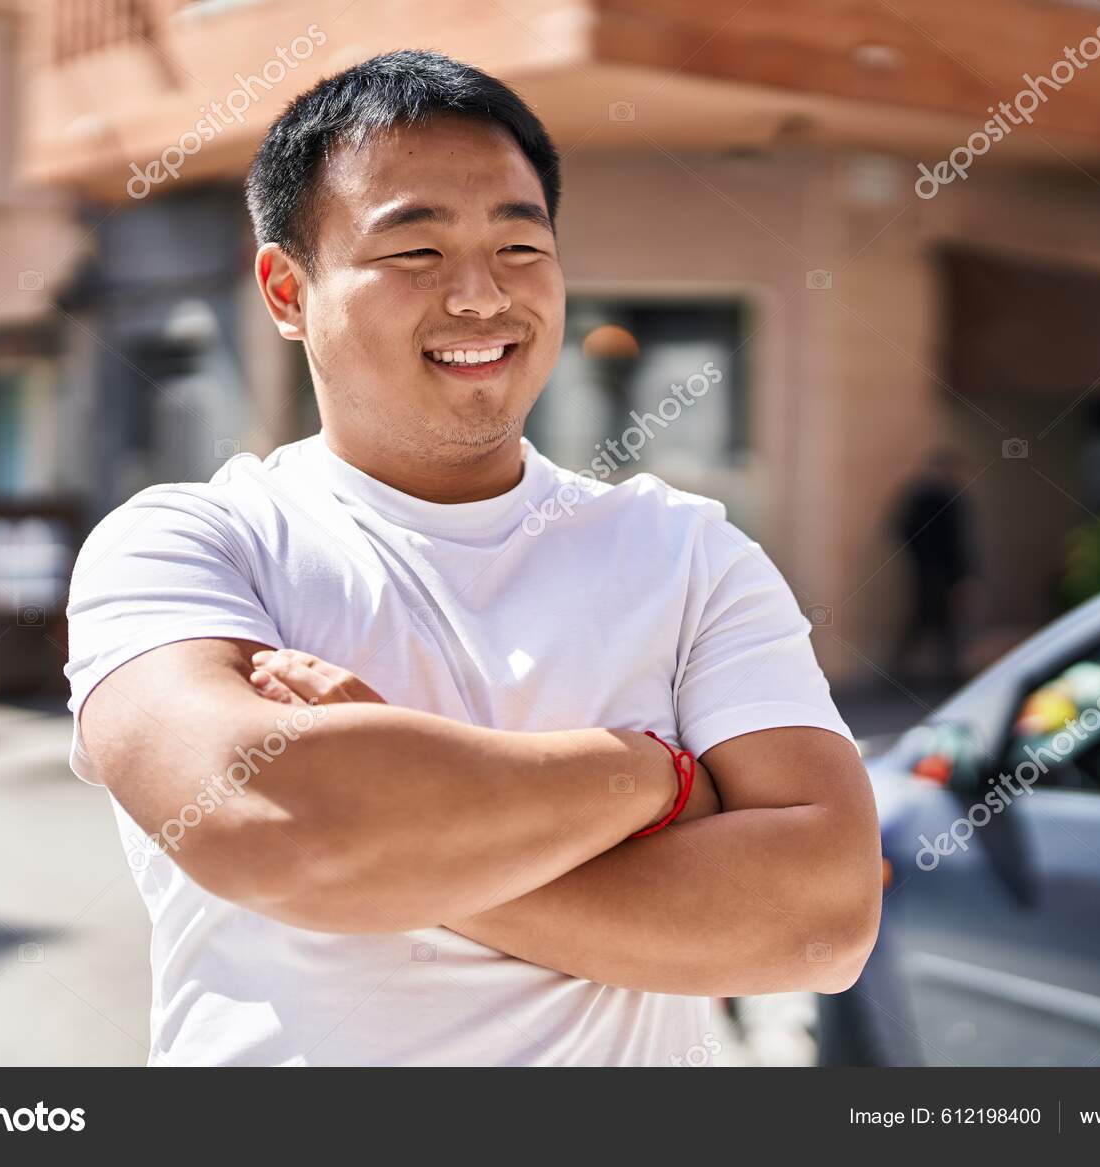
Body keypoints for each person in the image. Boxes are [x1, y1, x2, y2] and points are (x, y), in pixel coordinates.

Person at [64, 50, 880, 1067]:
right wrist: (653, 781)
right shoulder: (190, 544)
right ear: (285, 289)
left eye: (519, 246)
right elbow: (275, 827)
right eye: (415, 252)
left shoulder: (687, 553)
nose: (482, 297)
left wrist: (391, 835)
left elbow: (823, 917)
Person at [890, 448, 976, 687]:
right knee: (930, 618)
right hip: (933, 572)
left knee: (938, 621)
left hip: (937, 571)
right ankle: (942, 672)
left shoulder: (944, 496)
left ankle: (944, 671)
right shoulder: (931, 497)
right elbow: (951, 540)